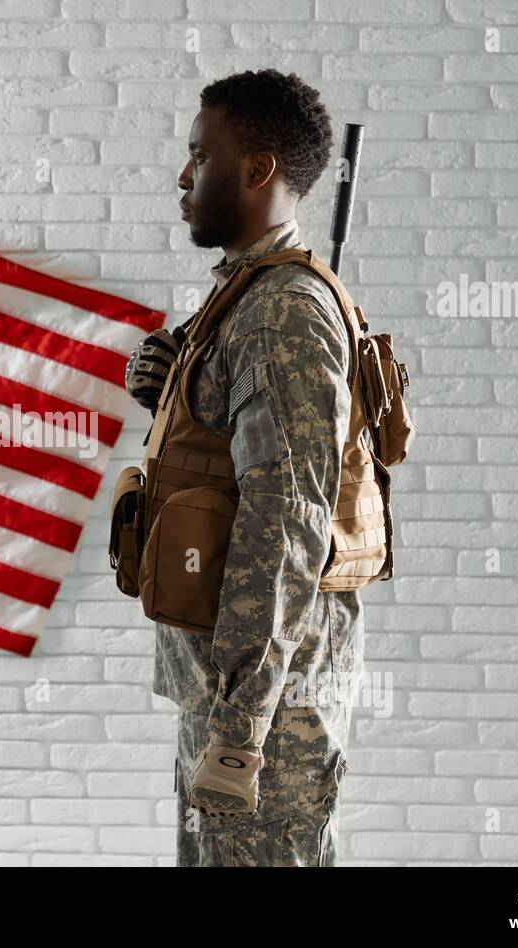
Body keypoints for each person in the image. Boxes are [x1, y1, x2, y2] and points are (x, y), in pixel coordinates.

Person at [125, 69, 365, 867]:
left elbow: (286, 518)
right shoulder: (244, 296)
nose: (184, 176)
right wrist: (172, 381)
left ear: (258, 169)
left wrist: (239, 731)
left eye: (201, 155)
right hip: (229, 690)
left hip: (265, 711)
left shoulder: (282, 310)